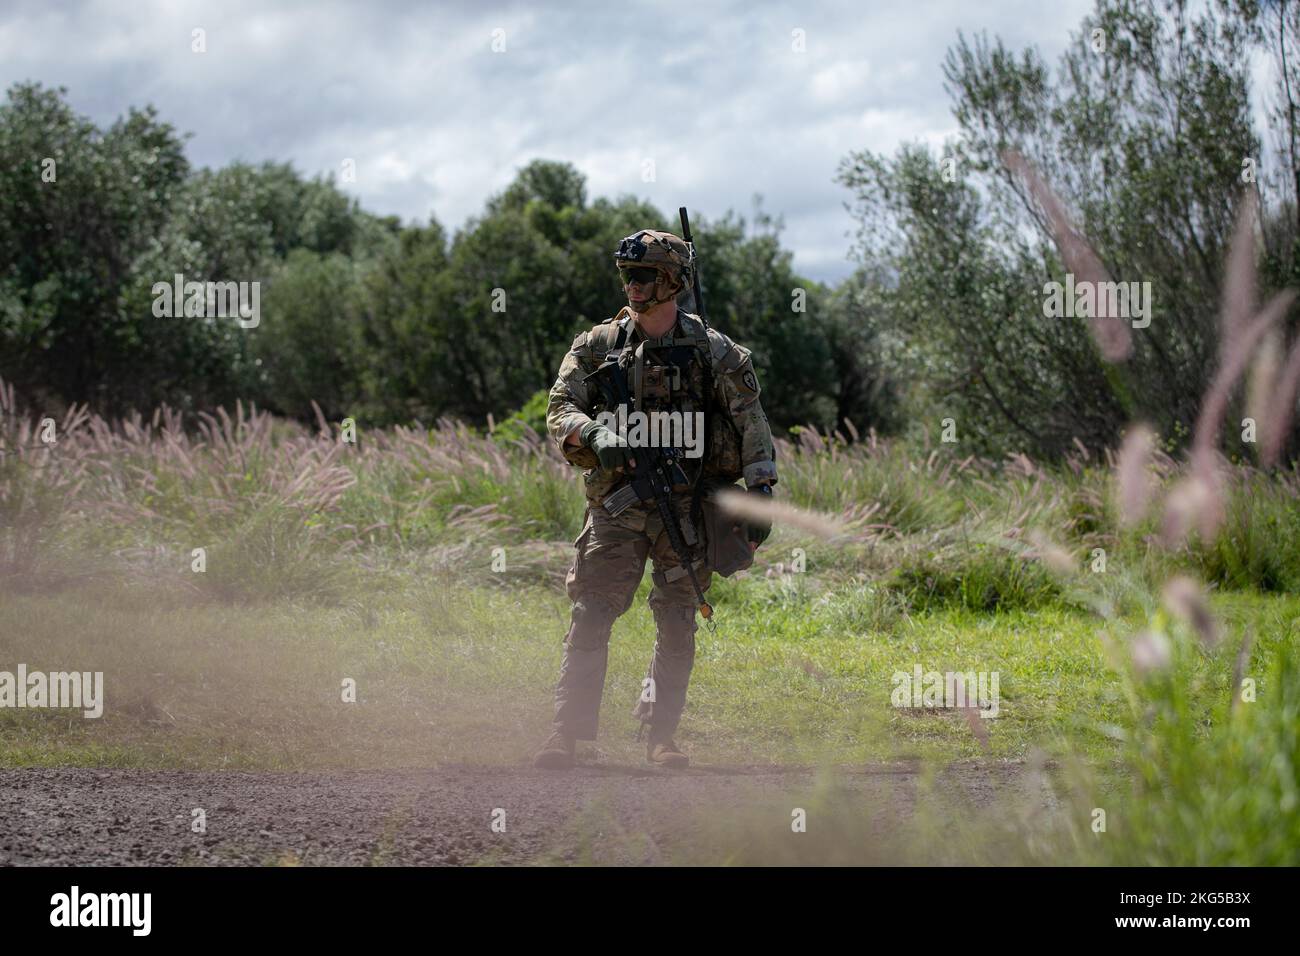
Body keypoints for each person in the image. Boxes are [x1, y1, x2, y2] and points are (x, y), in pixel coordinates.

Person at [532, 228, 778, 770]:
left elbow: (751, 420)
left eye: (644, 275)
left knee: (677, 619)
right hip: (617, 506)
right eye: (627, 274)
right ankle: (567, 736)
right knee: (592, 613)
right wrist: (592, 433)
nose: (632, 285)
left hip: (685, 509)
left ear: (672, 280)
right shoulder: (597, 345)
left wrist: (760, 492)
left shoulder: (714, 351)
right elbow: (558, 407)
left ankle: (660, 737)